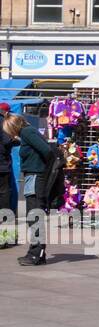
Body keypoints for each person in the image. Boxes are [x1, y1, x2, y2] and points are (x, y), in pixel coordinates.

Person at [5, 114, 56, 266]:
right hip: (32, 177)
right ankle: (35, 251)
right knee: (32, 216)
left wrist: (43, 173)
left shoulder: (27, 132)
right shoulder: (26, 133)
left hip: (36, 177)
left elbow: (47, 151)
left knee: (35, 216)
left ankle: (37, 253)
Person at [0, 116, 17, 249]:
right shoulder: (2, 121)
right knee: (5, 202)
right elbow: (7, 141)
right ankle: (7, 237)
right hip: (2, 167)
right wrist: (15, 141)